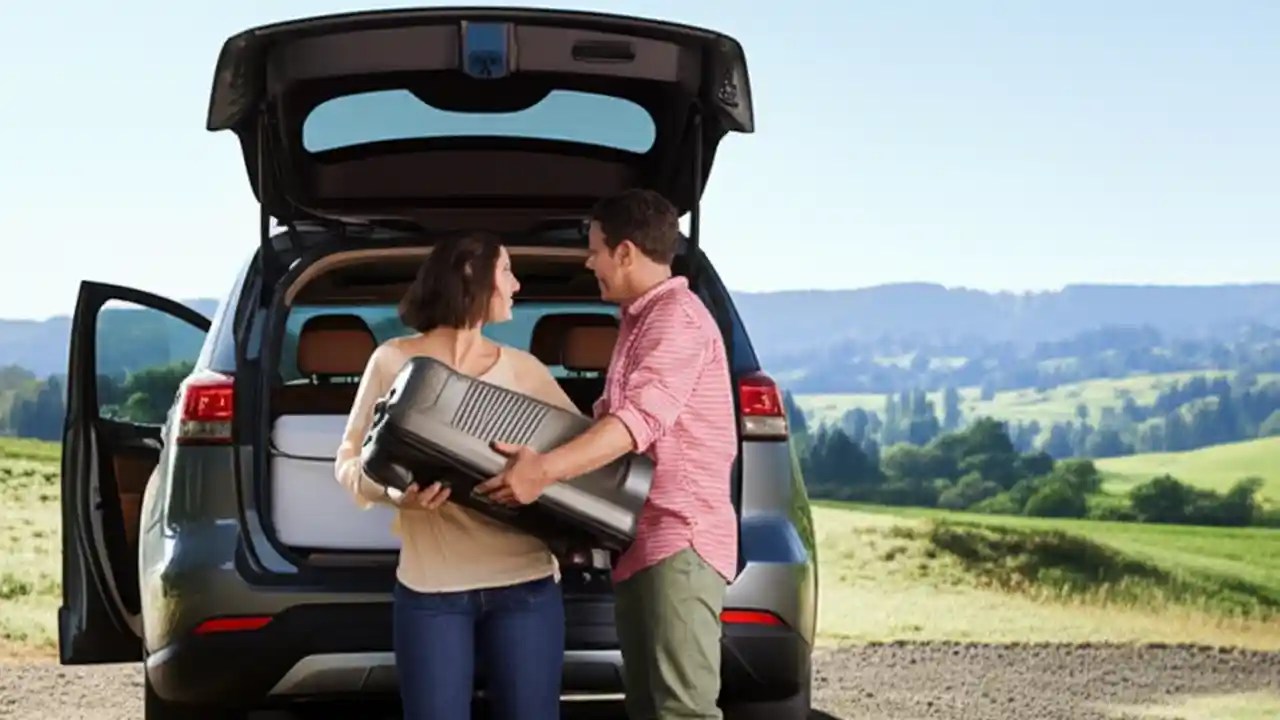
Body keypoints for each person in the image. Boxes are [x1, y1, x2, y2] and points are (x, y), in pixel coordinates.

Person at [476, 189, 739, 720]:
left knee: (682, 712)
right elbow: (608, 425)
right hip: (643, 541)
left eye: (594, 249)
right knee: (647, 708)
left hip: (680, 539)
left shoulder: (677, 322)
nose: (588, 261)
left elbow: (633, 425)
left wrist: (543, 472)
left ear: (625, 252)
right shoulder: (639, 321)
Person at [333, 231, 581, 720]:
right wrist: (393, 493)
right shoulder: (392, 362)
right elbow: (348, 463)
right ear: (473, 273)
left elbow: (582, 462)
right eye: (507, 271)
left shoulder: (526, 371)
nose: (516, 284)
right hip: (432, 590)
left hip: (525, 585)